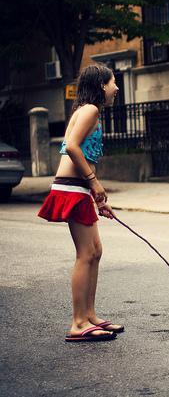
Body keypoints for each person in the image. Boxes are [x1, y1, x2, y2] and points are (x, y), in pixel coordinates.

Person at [38, 64, 122, 342]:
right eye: (113, 83)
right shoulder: (90, 110)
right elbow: (72, 146)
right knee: (86, 254)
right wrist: (94, 181)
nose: (116, 88)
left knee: (95, 251)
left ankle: (90, 315)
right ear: (101, 85)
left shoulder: (87, 111)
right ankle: (77, 323)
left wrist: (96, 197)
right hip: (72, 187)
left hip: (78, 188)